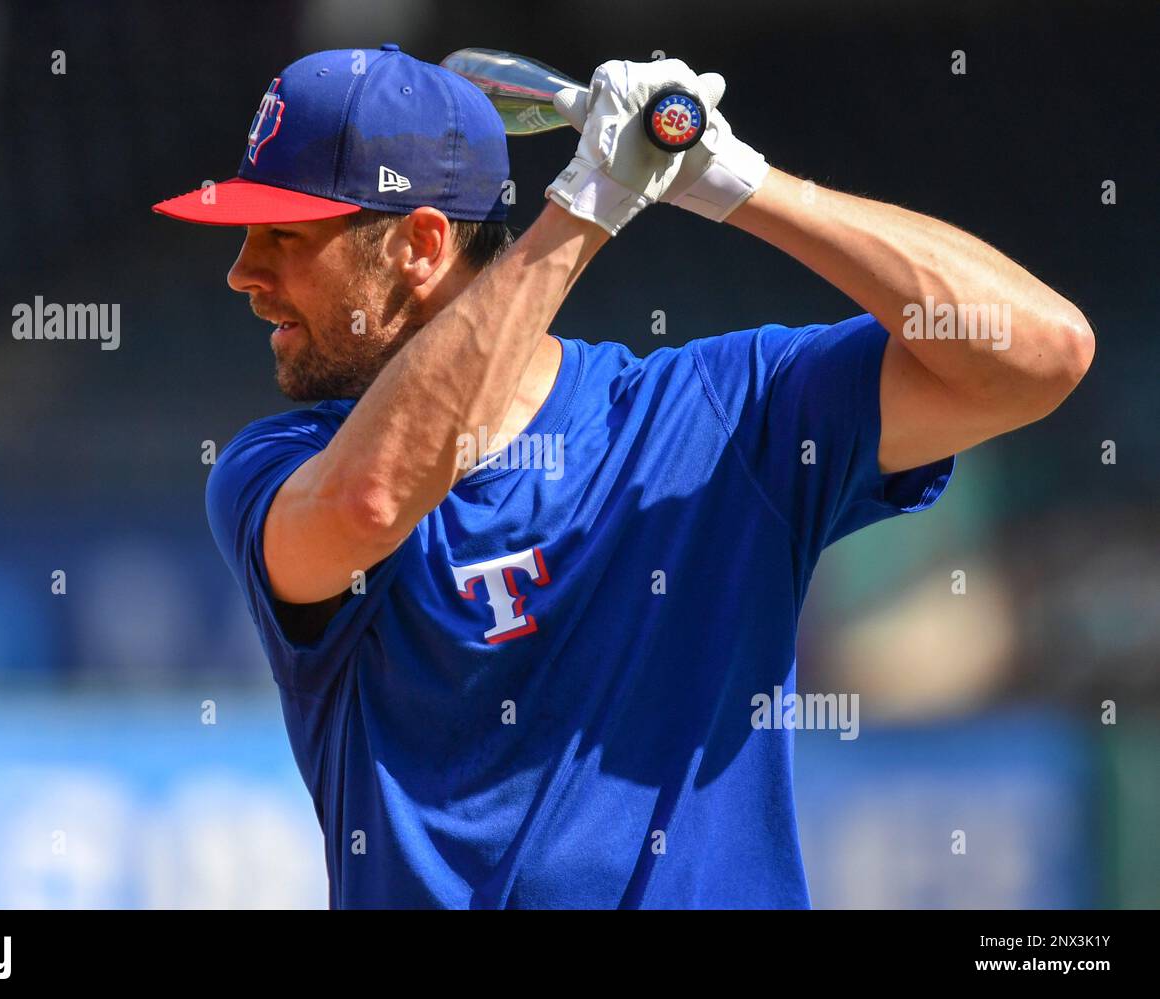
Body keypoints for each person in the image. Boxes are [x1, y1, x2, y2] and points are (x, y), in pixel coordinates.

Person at [152, 44, 1093, 908]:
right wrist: (588, 208)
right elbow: (375, 498)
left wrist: (745, 185)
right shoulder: (277, 466)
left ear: (422, 245)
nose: (242, 272)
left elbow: (1041, 353)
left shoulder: (720, 412)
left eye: (284, 235)